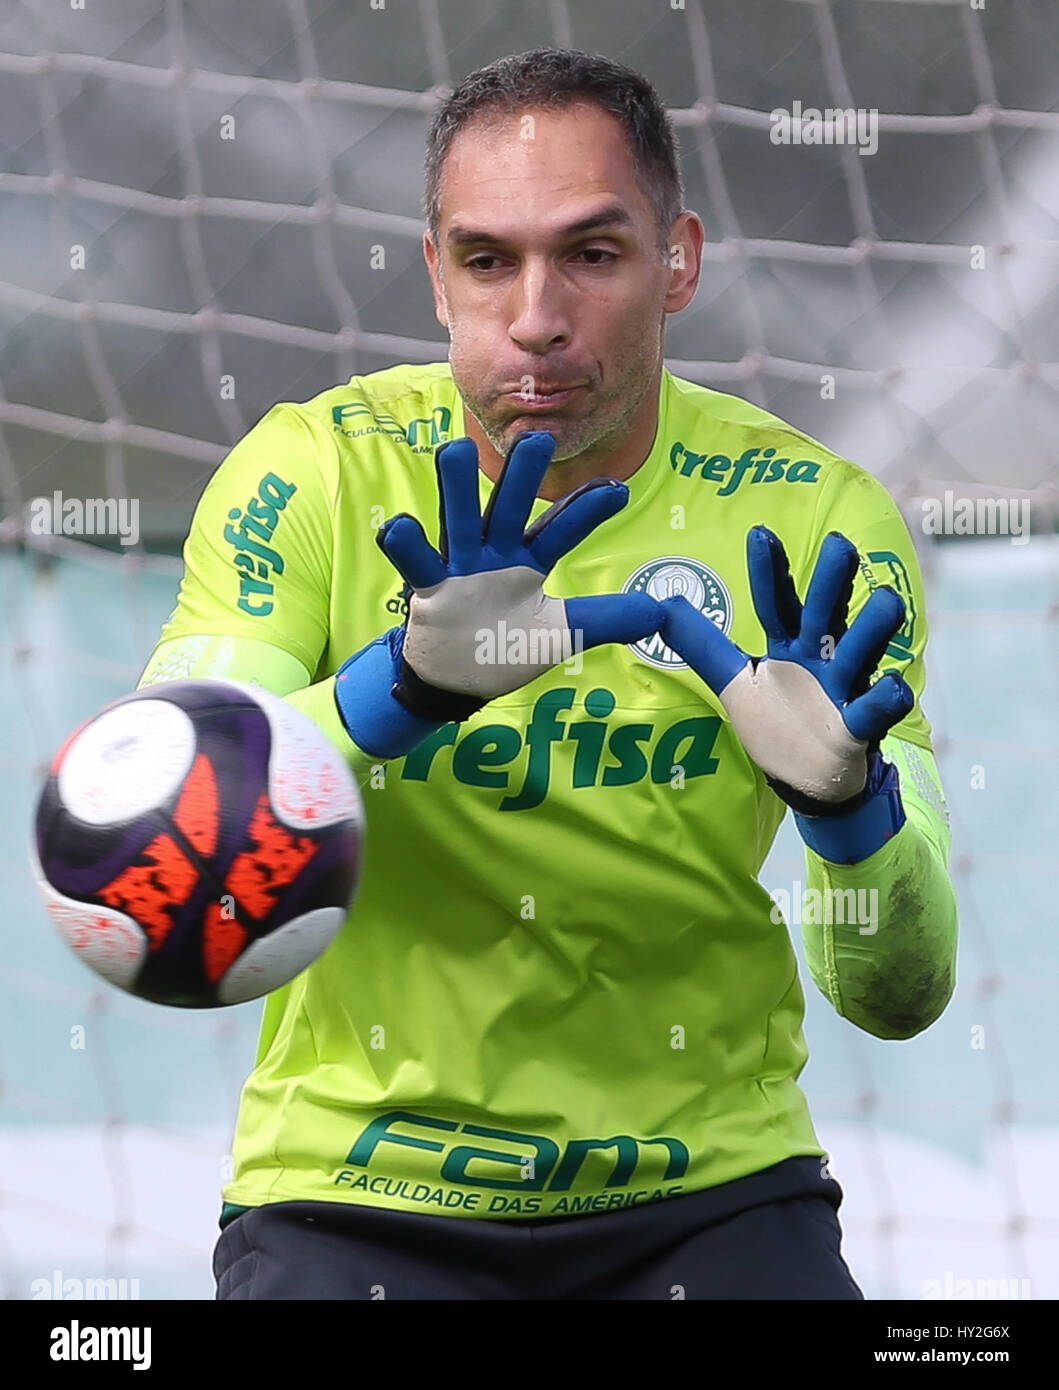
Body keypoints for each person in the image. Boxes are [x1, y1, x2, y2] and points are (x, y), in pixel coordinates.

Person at [138, 48, 958, 1300]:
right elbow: (161, 878)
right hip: (357, 1195)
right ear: (434, 272)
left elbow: (899, 994)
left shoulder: (815, 521)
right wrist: (401, 691)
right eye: (487, 260)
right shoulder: (311, 472)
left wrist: (849, 821)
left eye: (591, 253)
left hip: (710, 1197)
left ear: (676, 260)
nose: (535, 316)